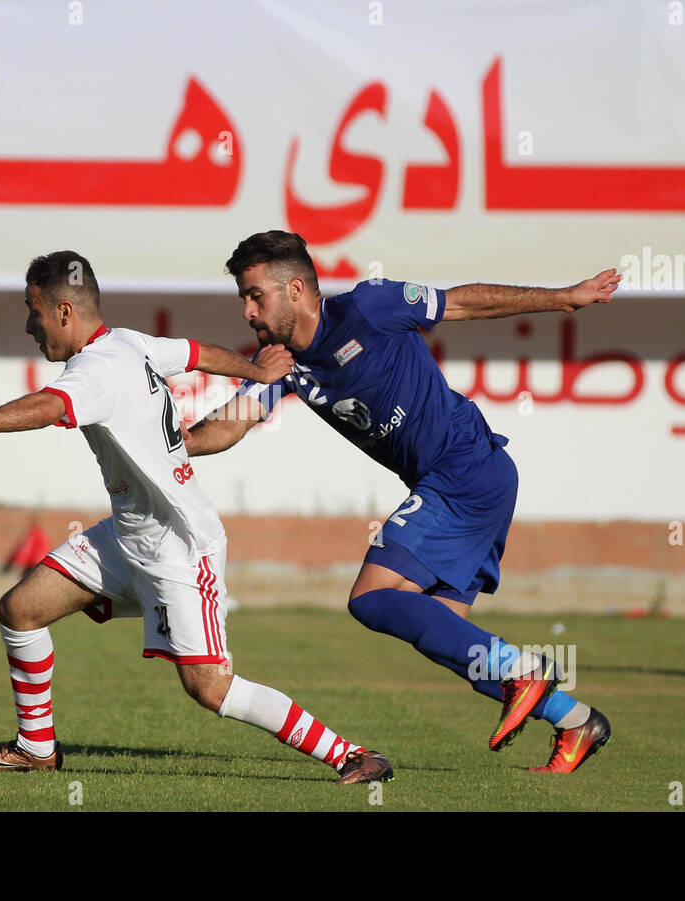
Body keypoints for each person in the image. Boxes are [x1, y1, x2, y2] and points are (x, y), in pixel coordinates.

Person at [0, 250, 392, 784]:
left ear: (63, 312)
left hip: (179, 546)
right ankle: (36, 748)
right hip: (127, 537)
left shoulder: (94, 372)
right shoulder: (130, 342)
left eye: (33, 312)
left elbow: (47, 407)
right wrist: (255, 368)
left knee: (210, 689)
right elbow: (199, 353)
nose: (29, 326)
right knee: (20, 609)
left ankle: (351, 754)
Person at [185, 231, 618, 773]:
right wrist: (167, 442)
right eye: (244, 299)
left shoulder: (370, 306)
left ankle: (525, 671)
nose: (248, 312)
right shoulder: (280, 362)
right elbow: (230, 426)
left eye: (256, 296)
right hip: (464, 483)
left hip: (465, 468)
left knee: (370, 598)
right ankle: (577, 721)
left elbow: (459, 301)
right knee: (446, 635)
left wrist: (563, 297)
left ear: (296, 289)